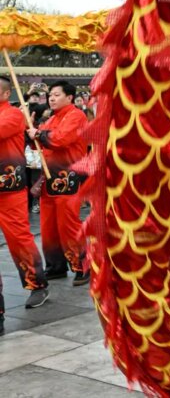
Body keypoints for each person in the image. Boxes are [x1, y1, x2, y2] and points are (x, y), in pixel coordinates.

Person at [0, 76, 50, 337]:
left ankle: (37, 284)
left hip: (9, 189)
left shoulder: (13, 116)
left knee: (19, 239)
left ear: (6, 93)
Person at [27, 81, 89, 286]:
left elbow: (60, 139)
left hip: (68, 177)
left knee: (68, 224)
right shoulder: (52, 118)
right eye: (50, 95)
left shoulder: (76, 116)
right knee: (49, 227)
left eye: (56, 95)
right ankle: (56, 266)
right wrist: (32, 133)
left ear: (69, 97)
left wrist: (39, 134)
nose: (51, 98)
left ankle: (83, 266)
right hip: (49, 178)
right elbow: (38, 145)